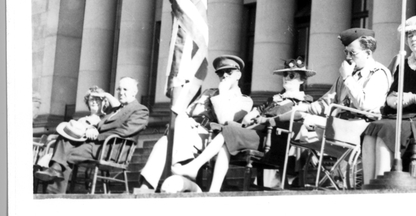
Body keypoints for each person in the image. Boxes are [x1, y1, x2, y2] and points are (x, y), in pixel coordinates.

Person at [170, 57, 313, 192]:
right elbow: (250, 116)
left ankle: (195, 166)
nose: (287, 78)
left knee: (229, 129)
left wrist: (267, 120)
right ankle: (214, 190)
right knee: (226, 140)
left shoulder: (303, 101)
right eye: (285, 75)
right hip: (258, 135)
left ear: (302, 80)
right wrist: (252, 116)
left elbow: (298, 117)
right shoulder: (274, 99)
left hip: (276, 141)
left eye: (292, 75)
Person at [135, 55, 253, 192]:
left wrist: (223, 93)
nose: (224, 75)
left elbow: (224, 120)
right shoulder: (208, 92)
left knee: (171, 137)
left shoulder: (244, 100)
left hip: (210, 137)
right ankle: (147, 186)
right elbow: (188, 112)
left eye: (229, 72)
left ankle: (180, 169)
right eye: (220, 73)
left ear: (238, 75)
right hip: (189, 130)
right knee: (165, 140)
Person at [36, 77, 150, 194]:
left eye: (125, 89)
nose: (121, 92)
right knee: (65, 135)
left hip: (109, 148)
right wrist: (91, 129)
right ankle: (55, 171)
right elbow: (99, 125)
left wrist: (97, 135)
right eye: (119, 89)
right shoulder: (115, 110)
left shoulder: (140, 110)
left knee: (64, 155)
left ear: (134, 92)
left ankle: (53, 191)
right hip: (95, 145)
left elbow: (125, 131)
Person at [362, 15, 416, 185]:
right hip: (400, 118)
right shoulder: (403, 64)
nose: (414, 38)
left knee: (385, 129)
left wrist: (413, 98)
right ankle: (368, 186)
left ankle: (384, 186)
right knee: (372, 129)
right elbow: (392, 93)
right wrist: (392, 100)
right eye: (410, 35)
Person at [36, 86, 111, 170]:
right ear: (88, 102)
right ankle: (55, 170)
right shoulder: (82, 120)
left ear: (103, 102)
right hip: (73, 146)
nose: (94, 102)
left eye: (97, 99)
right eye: (91, 99)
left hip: (88, 148)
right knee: (64, 139)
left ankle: (55, 169)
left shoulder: (104, 119)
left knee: (65, 152)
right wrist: (54, 136)